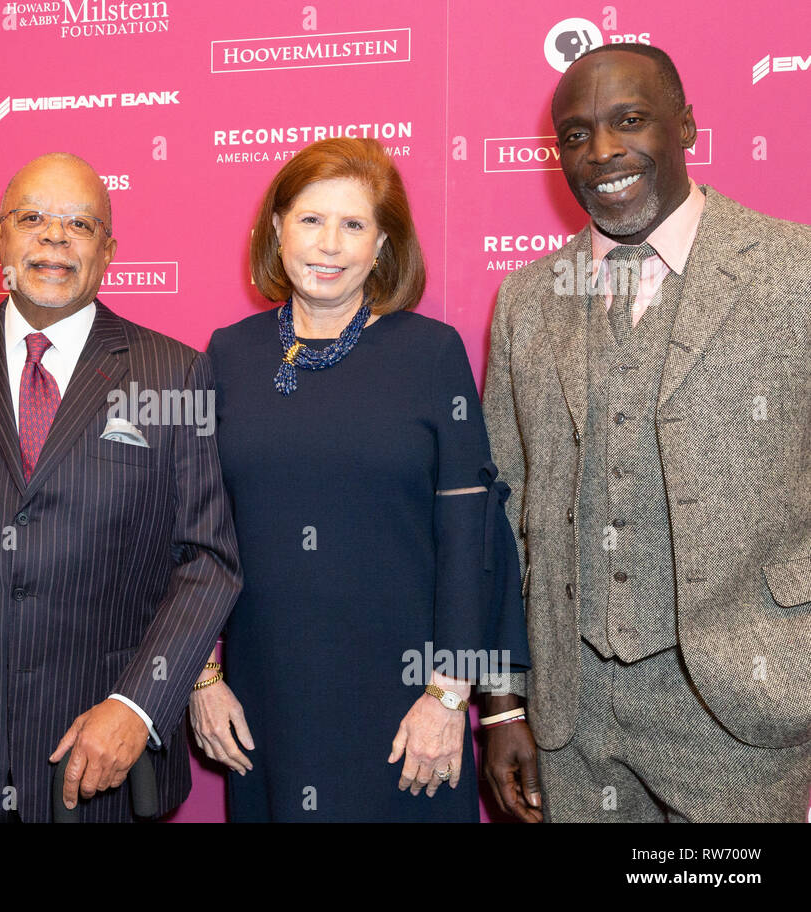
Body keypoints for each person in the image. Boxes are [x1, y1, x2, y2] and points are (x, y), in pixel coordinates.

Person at [482, 44, 811, 822]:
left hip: (745, 709)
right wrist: (502, 704)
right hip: (570, 717)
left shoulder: (794, 271)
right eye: (575, 134)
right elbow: (501, 511)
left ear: (687, 125)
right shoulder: (527, 300)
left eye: (629, 121)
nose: (602, 153)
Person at [0, 152, 242, 823]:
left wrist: (138, 703)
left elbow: (208, 562)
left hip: (107, 757)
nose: (54, 237)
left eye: (79, 224)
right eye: (32, 219)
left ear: (108, 251)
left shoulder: (175, 373)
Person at [189, 137, 529, 821]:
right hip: (269, 698)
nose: (329, 245)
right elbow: (193, 528)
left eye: (354, 225)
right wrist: (202, 679)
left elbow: (471, 539)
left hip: (409, 709)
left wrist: (448, 697)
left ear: (381, 246)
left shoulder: (431, 354)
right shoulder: (229, 354)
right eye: (311, 220)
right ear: (278, 228)